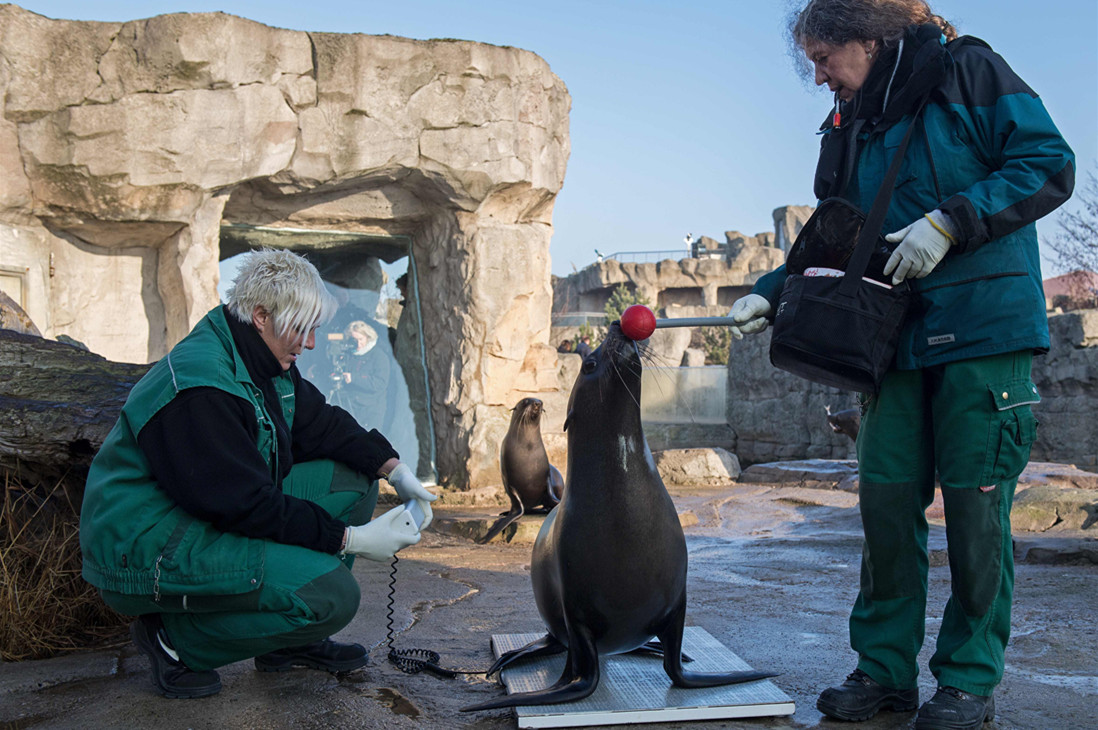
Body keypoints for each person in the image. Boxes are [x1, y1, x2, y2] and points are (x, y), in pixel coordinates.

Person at [727, 2, 1074, 728]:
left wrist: (953, 220)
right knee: (886, 507)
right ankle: (884, 670)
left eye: (826, 58)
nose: (818, 76)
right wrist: (771, 290)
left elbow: (1049, 163)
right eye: (813, 61)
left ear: (872, 38)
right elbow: (836, 228)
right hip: (888, 338)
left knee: (977, 513)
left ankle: (968, 680)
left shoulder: (969, 70)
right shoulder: (852, 119)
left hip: (982, 330)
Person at [79, 249, 438, 699]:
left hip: (204, 513)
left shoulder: (260, 357)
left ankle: (288, 641)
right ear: (262, 315)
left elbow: (321, 422)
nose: (310, 343)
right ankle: (175, 641)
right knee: (333, 597)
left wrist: (395, 468)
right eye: (302, 328)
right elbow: (244, 505)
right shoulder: (203, 387)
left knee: (351, 479)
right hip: (145, 543)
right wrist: (352, 540)